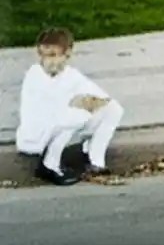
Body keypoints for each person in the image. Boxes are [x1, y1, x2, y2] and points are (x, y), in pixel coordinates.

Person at [15, 27, 125, 186]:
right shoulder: (35, 75)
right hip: (37, 133)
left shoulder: (70, 74)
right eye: (43, 55)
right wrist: (77, 102)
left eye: (53, 55)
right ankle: (49, 165)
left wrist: (91, 100)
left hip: (62, 128)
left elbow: (101, 97)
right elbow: (48, 108)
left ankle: (96, 162)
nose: (48, 60)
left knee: (113, 109)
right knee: (79, 116)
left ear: (67, 54)